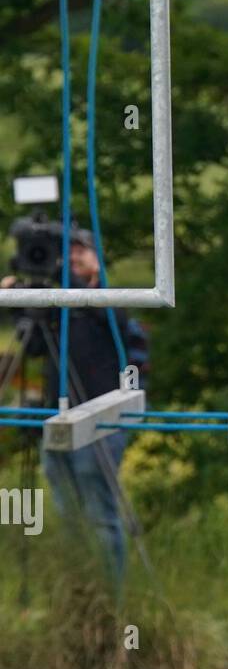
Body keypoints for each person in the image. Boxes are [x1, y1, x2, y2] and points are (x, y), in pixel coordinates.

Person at [1, 230, 145, 578]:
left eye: (83, 252)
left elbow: (117, 328)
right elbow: (31, 346)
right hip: (57, 420)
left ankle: (112, 602)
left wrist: (63, 283)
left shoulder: (107, 302)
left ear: (98, 262)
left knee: (100, 516)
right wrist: (19, 298)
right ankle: (80, 596)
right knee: (70, 517)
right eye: (69, 254)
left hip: (102, 422)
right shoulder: (57, 307)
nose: (75, 259)